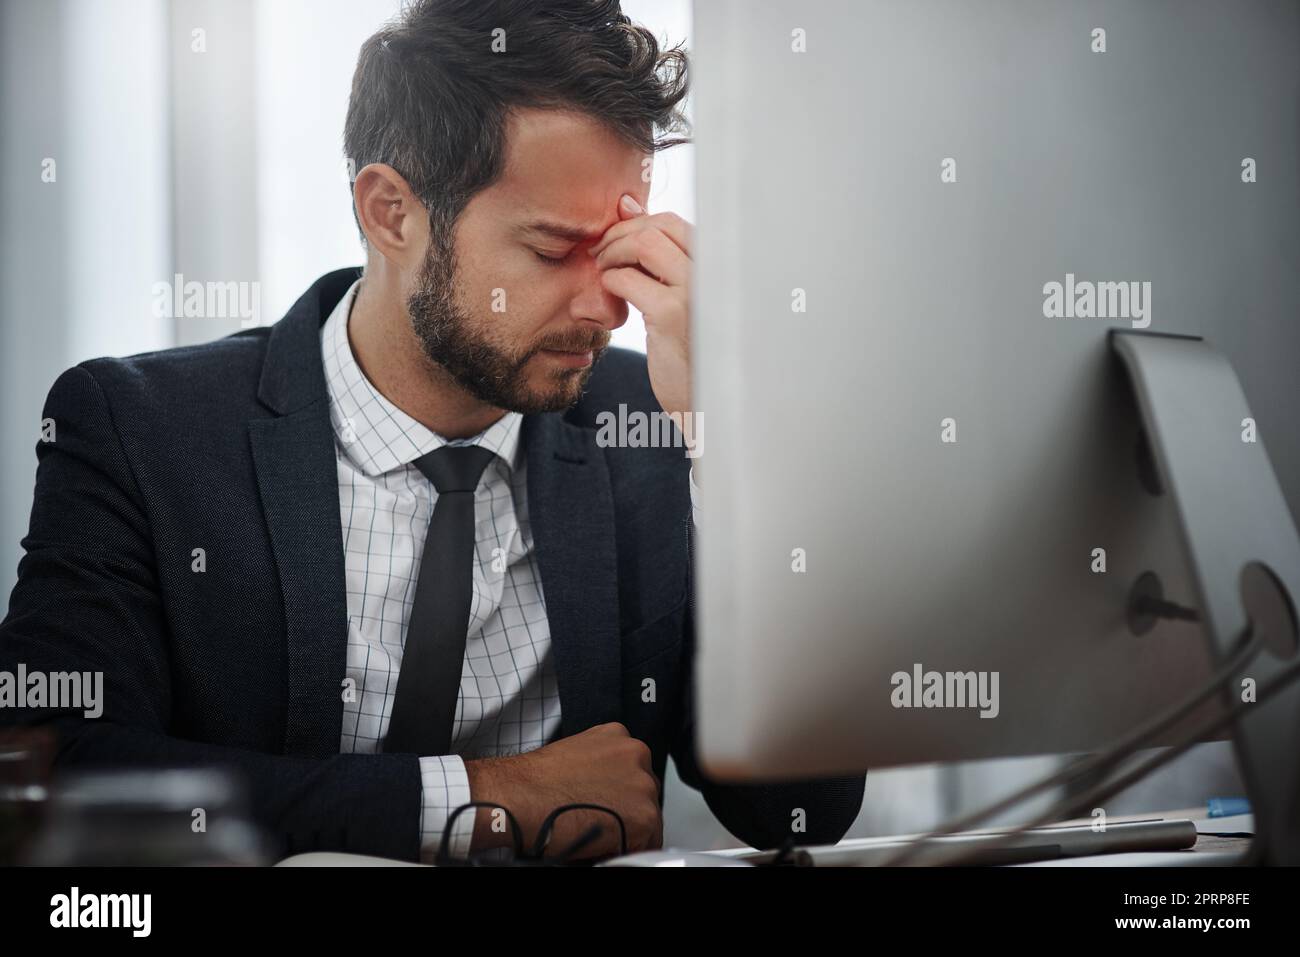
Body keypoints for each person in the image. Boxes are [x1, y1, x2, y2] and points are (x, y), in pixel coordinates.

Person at [0, 0, 864, 863]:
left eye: (618, 250)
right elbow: (47, 771)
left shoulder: (655, 423)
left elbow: (800, 810)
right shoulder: (140, 429)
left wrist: (737, 455)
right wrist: (485, 796)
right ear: (391, 213)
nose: (610, 306)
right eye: (554, 248)